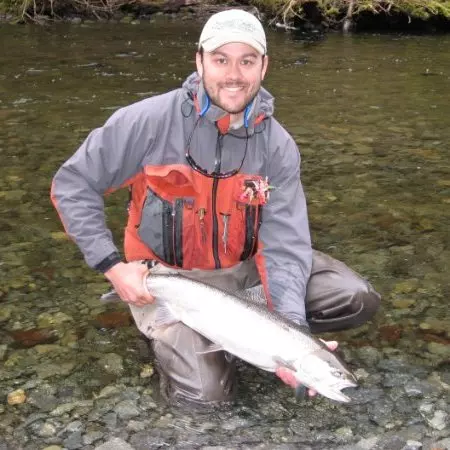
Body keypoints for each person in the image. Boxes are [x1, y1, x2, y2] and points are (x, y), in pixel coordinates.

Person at [51, 9, 380, 407]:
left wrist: (292, 331)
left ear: (264, 66)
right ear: (199, 61)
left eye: (247, 60)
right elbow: (73, 184)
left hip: (243, 278)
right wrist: (111, 266)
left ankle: (239, 340)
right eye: (220, 59)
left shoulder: (277, 146)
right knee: (207, 398)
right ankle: (185, 341)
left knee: (353, 296)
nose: (234, 75)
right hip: (165, 282)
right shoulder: (147, 122)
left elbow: (285, 245)